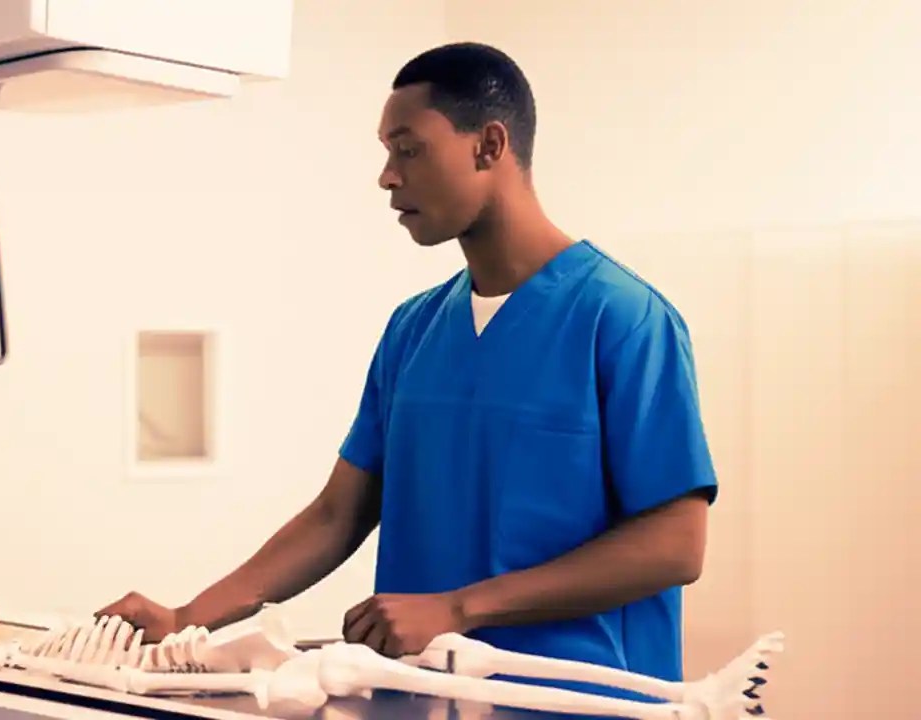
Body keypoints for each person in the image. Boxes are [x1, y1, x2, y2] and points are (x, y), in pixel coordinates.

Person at [97, 41, 717, 700]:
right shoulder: (414, 329)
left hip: (580, 707)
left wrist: (457, 609)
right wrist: (188, 621)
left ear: (489, 145)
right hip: (423, 702)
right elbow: (338, 514)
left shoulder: (623, 321)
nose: (387, 176)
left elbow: (675, 545)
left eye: (408, 149)